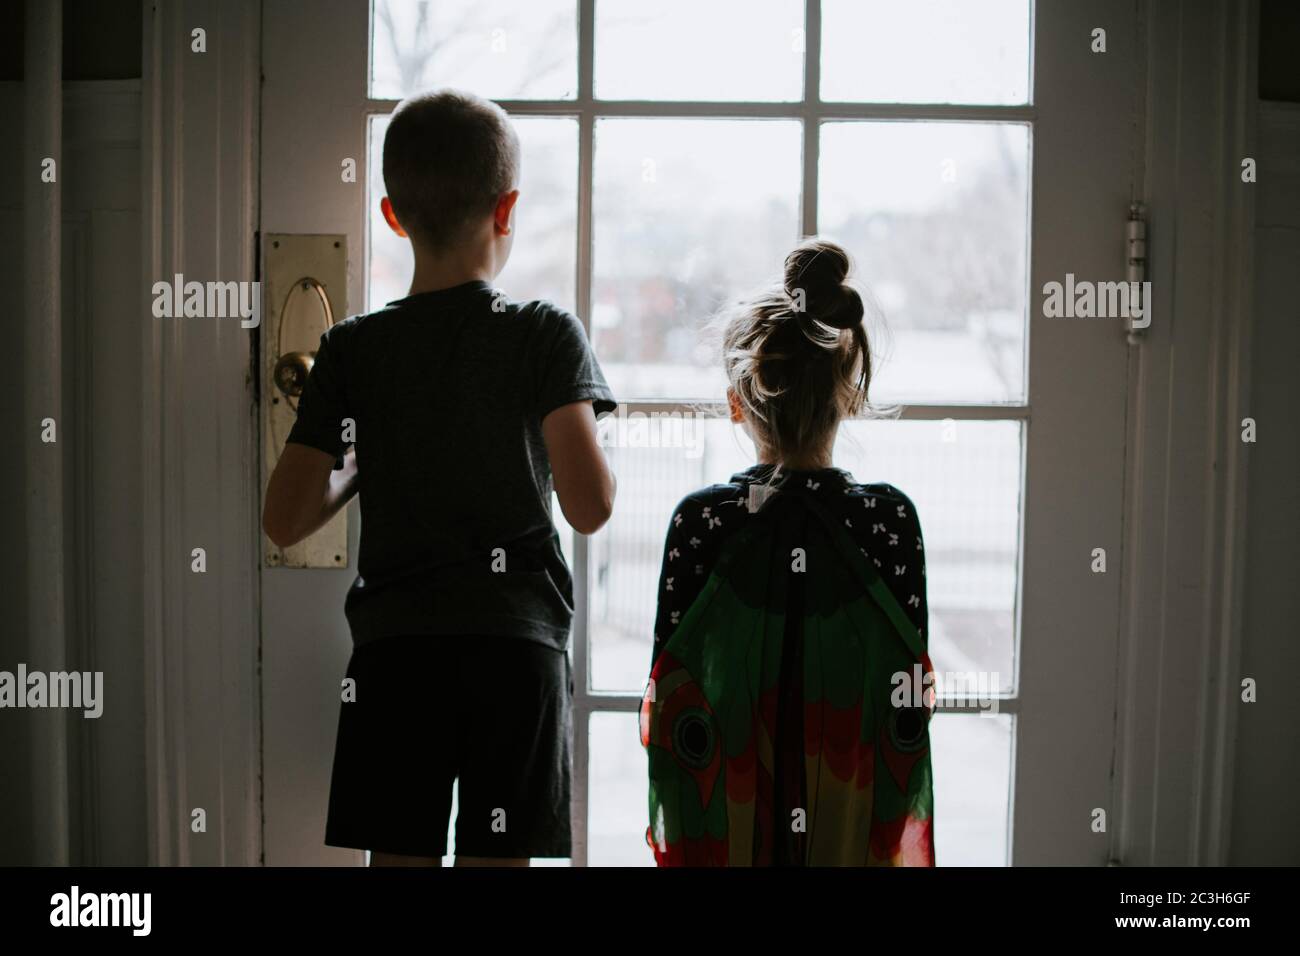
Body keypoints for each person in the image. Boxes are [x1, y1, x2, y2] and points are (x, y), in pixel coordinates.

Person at [262, 89, 616, 867]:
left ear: (393, 215)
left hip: (398, 655)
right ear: (507, 209)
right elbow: (589, 507)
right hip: (512, 651)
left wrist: (360, 464)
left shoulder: (354, 350)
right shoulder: (542, 334)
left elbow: (284, 519)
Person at [641, 238, 935, 866]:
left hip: (730, 828)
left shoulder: (703, 522)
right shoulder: (888, 522)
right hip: (848, 833)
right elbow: (906, 711)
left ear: (737, 403)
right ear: (849, 396)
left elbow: (672, 703)